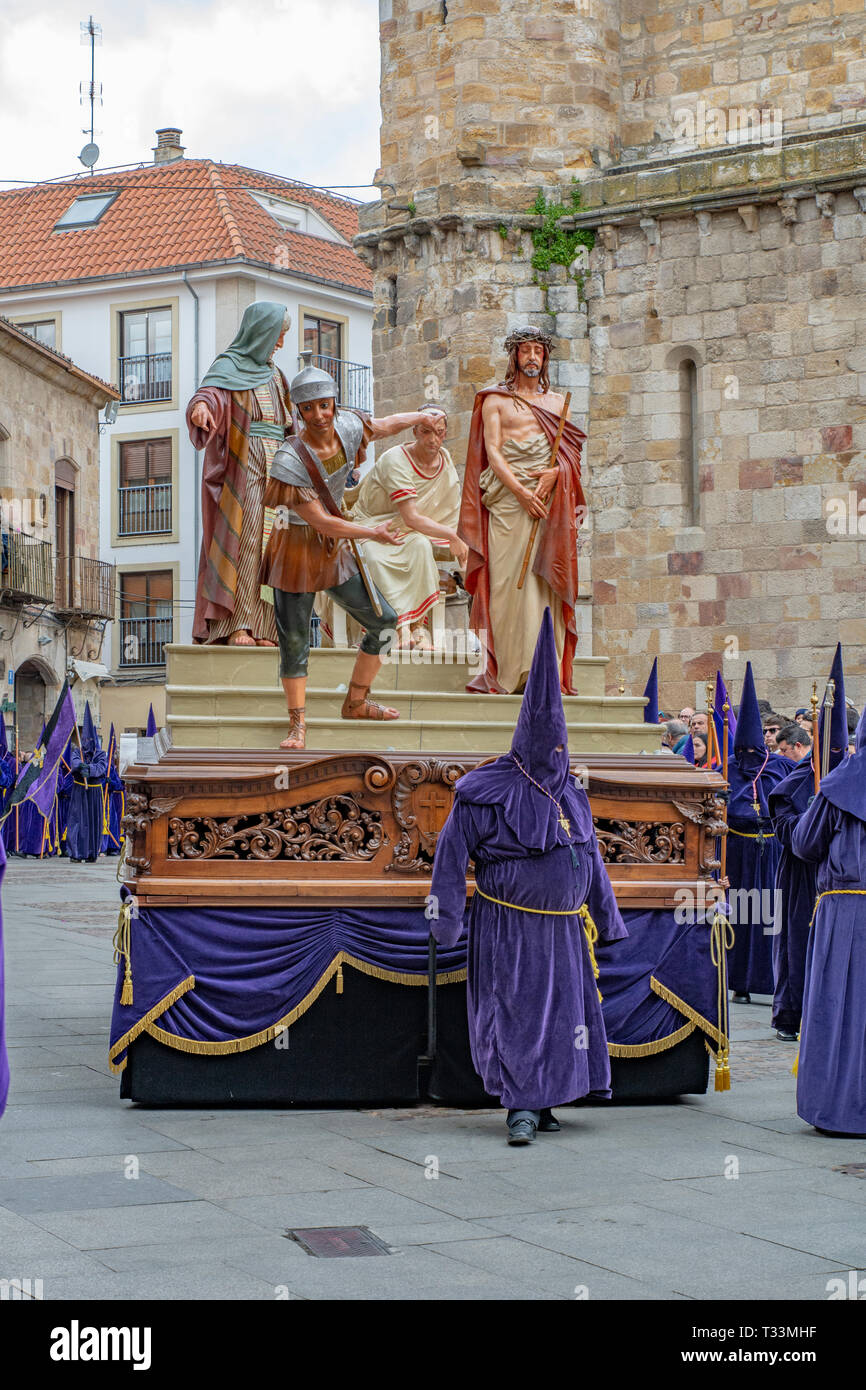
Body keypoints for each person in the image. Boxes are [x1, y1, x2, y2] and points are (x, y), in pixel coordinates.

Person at [429, 609, 628, 1145]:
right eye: (548, 748)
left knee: (566, 1016)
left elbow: (592, 859)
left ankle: (549, 1098)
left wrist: (608, 921)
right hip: (510, 929)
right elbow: (450, 857)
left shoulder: (571, 791)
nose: (555, 757)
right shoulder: (484, 788)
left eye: (561, 748)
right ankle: (520, 1104)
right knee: (517, 1013)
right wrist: (444, 920)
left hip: (566, 928)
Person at [260, 366, 439, 749]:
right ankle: (297, 724)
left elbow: (386, 424)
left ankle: (356, 701)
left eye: (325, 405)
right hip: (295, 548)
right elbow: (322, 522)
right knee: (294, 641)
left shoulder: (347, 427)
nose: (320, 415)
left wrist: (421, 417)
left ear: (334, 403)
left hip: (333, 548)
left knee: (384, 620)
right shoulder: (289, 459)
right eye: (309, 409)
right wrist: (372, 532)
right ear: (299, 412)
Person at [460, 327, 586, 694]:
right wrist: (520, 492)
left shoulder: (559, 404)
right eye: (526, 351)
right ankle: (509, 668)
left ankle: (541, 669)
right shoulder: (494, 401)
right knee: (505, 582)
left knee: (544, 581)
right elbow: (493, 450)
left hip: (550, 503)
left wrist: (555, 475)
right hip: (508, 502)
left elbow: (570, 458)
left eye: (539, 352)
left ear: (545, 358)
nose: (532, 357)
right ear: (514, 356)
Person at [187, 301, 292, 647]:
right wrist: (201, 408)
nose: (280, 343)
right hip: (246, 464)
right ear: (261, 332)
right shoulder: (229, 366)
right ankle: (239, 623)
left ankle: (266, 627)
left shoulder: (277, 375)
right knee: (244, 542)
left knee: (274, 546)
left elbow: (289, 421)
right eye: (278, 335)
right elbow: (210, 394)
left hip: (279, 467)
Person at [322, 404, 466, 649]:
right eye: (426, 432)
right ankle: (396, 628)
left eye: (440, 432)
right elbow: (411, 516)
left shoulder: (445, 459)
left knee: (420, 546)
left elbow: (447, 508)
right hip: (371, 528)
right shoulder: (396, 459)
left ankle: (418, 627)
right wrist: (451, 535)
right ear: (415, 432)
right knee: (375, 559)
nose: (434, 440)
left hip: (408, 533)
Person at [792, 700, 866, 1135]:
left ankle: (837, 1107)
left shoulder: (840, 784)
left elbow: (804, 844)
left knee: (839, 1005)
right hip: (844, 903)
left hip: (845, 909)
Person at [769, 646, 846, 1042]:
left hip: (841, 879)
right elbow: (786, 829)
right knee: (796, 946)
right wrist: (814, 816)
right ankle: (791, 1014)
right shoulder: (797, 781)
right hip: (802, 877)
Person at [725, 663, 793, 1003]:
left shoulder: (782, 767)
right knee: (741, 915)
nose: (749, 755)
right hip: (737, 854)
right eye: (744, 750)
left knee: (770, 915)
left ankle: (772, 978)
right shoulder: (728, 767)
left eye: (755, 749)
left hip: (771, 852)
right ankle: (739, 980)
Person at [61, 704, 109, 863]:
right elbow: (74, 763)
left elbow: (102, 767)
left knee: (93, 822)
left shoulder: (101, 753)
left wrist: (89, 768)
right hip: (79, 791)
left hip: (94, 792)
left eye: (90, 739)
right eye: (85, 739)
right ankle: (75, 852)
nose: (88, 742)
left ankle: (90, 852)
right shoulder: (78, 752)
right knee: (77, 821)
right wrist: (80, 767)